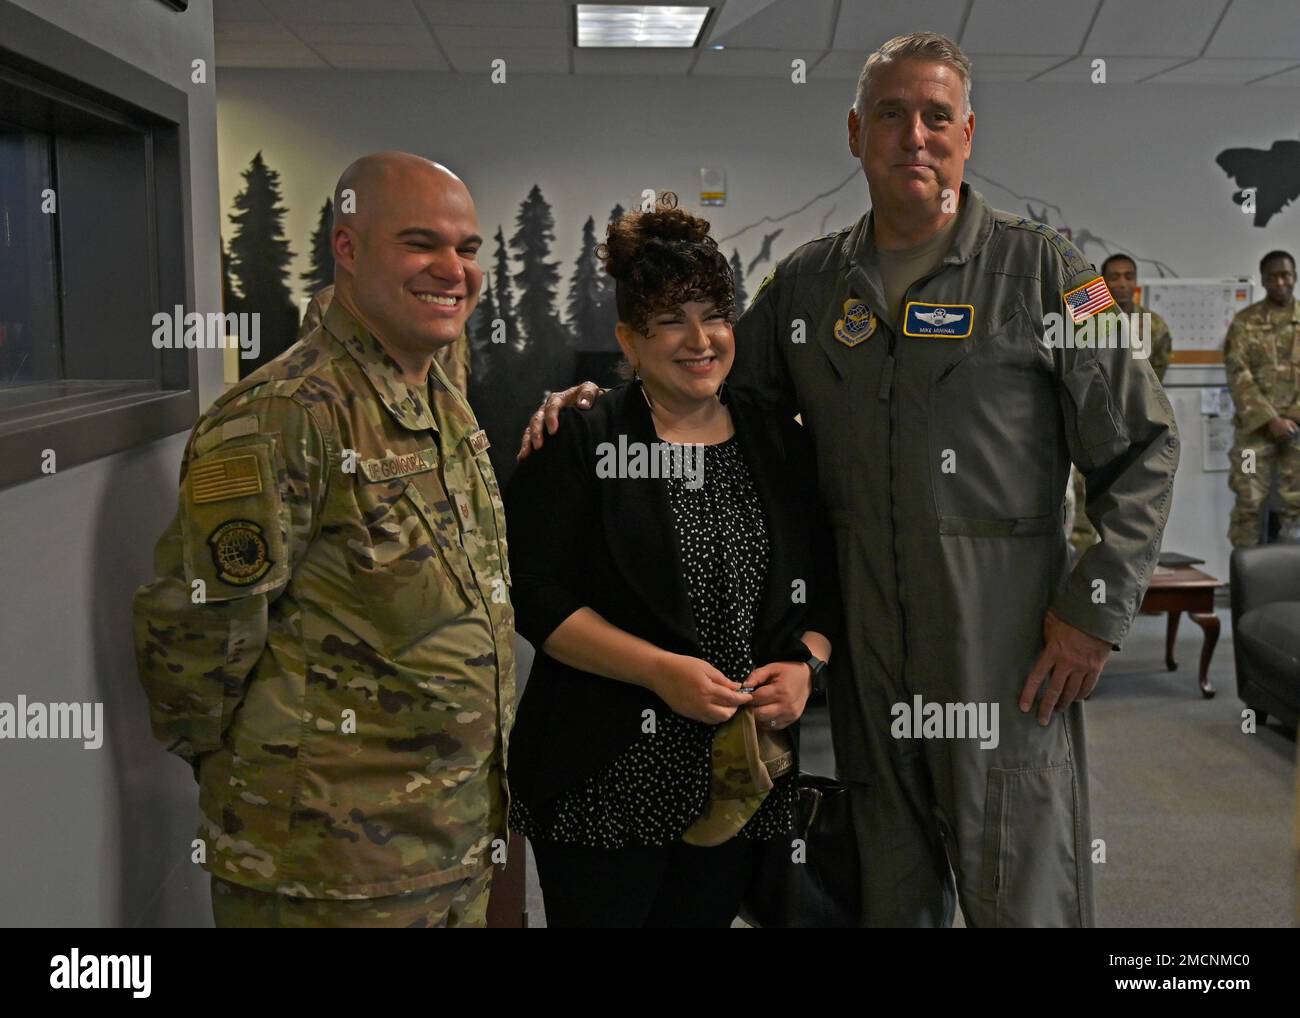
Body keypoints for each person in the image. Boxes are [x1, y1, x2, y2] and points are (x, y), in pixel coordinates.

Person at [520, 33, 1178, 927]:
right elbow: (712, 397)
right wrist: (600, 401)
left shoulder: (1055, 275)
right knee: (887, 887)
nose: (915, 135)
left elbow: (1141, 446)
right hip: (865, 653)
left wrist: (1094, 614)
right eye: (891, 113)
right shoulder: (808, 285)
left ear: (968, 132)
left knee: (1020, 875)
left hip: (1003, 646)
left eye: (936, 115)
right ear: (855, 132)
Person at [132, 151, 514, 928]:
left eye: (468, 248)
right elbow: (197, 635)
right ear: (347, 247)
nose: (453, 269)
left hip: (450, 840)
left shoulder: (437, 392)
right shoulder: (283, 415)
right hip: (327, 874)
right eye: (421, 243)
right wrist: (256, 778)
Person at [504, 201, 839, 927]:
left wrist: (807, 666)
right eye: (668, 321)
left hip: (736, 779)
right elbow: (534, 594)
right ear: (629, 338)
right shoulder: (582, 437)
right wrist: (657, 670)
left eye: (713, 315)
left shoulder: (777, 441)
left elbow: (827, 588)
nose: (699, 339)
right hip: (603, 773)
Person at [1070, 253, 1174, 554]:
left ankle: (1124, 582)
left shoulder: (1153, 326)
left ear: (1137, 282)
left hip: (1136, 433)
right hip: (1090, 427)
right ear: (1102, 282)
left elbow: (1155, 382)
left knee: (1134, 508)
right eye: (1114, 277)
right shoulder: (1084, 316)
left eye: (1128, 276)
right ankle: (1083, 585)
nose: (1122, 283)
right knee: (1084, 513)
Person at [1223, 249, 1300, 546]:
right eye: (1273, 277)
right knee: (1249, 504)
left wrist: (1291, 416)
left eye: (1286, 275)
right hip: (1253, 437)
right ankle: (1243, 587)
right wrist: (1271, 420)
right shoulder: (1245, 323)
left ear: (1294, 277)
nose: (1280, 282)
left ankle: (1291, 586)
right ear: (1264, 280)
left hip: (1297, 433)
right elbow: (1237, 374)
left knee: (1295, 508)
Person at [302, 284, 471, 395]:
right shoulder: (328, 303)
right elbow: (308, 380)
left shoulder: (437, 305)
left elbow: (453, 386)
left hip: (419, 429)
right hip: (346, 424)